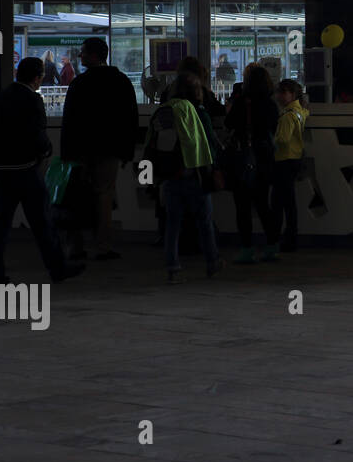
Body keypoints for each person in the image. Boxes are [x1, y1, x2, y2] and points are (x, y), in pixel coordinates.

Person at [0, 57, 84, 285]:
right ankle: (57, 268)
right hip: (26, 171)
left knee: (1, 225)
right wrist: (44, 152)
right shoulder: (33, 100)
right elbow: (39, 136)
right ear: (37, 78)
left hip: (2, 171)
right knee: (42, 222)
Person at [60, 37, 138, 262]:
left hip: (81, 150)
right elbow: (129, 118)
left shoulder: (80, 83)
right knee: (103, 194)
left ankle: (75, 246)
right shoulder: (121, 81)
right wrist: (127, 150)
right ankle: (102, 245)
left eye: (83, 52)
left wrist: (67, 153)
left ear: (94, 55)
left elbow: (70, 120)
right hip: (110, 149)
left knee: (76, 196)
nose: (80, 56)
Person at [145, 71, 224, 283]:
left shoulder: (163, 110)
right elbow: (204, 142)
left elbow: (150, 144)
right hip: (194, 173)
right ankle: (212, 262)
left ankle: (172, 265)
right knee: (204, 222)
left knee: (172, 223)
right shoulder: (194, 111)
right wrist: (211, 168)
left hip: (170, 176)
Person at [226, 63, 280, 263]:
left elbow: (229, 123)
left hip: (243, 157)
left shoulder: (242, 102)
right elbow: (274, 126)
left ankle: (247, 248)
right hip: (264, 159)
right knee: (263, 204)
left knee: (243, 207)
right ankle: (272, 245)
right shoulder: (270, 104)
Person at [269, 78, 311, 258]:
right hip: (295, 159)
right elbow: (306, 113)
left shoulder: (287, 116)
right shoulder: (299, 111)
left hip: (284, 160)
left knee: (279, 202)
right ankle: (290, 237)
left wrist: (270, 142)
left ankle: (278, 239)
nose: (279, 96)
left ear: (292, 94)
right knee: (289, 203)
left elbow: (282, 140)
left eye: (283, 92)